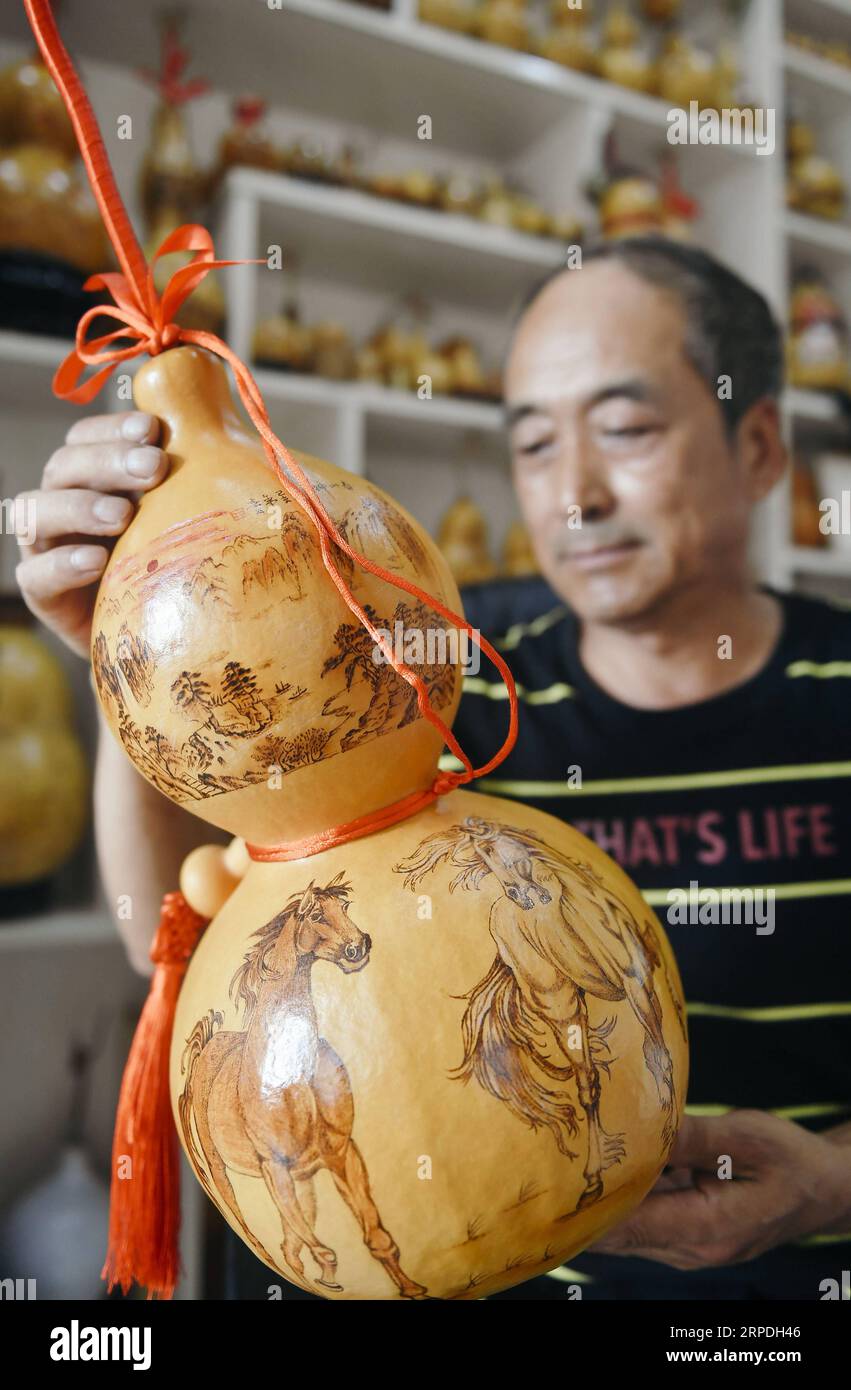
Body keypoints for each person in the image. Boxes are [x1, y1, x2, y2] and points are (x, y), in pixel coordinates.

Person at [16, 238, 851, 1302]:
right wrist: (124, 650)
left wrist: (826, 1185)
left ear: (760, 446)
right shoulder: (420, 664)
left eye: (626, 428)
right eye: (534, 444)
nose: (574, 494)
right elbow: (171, 937)